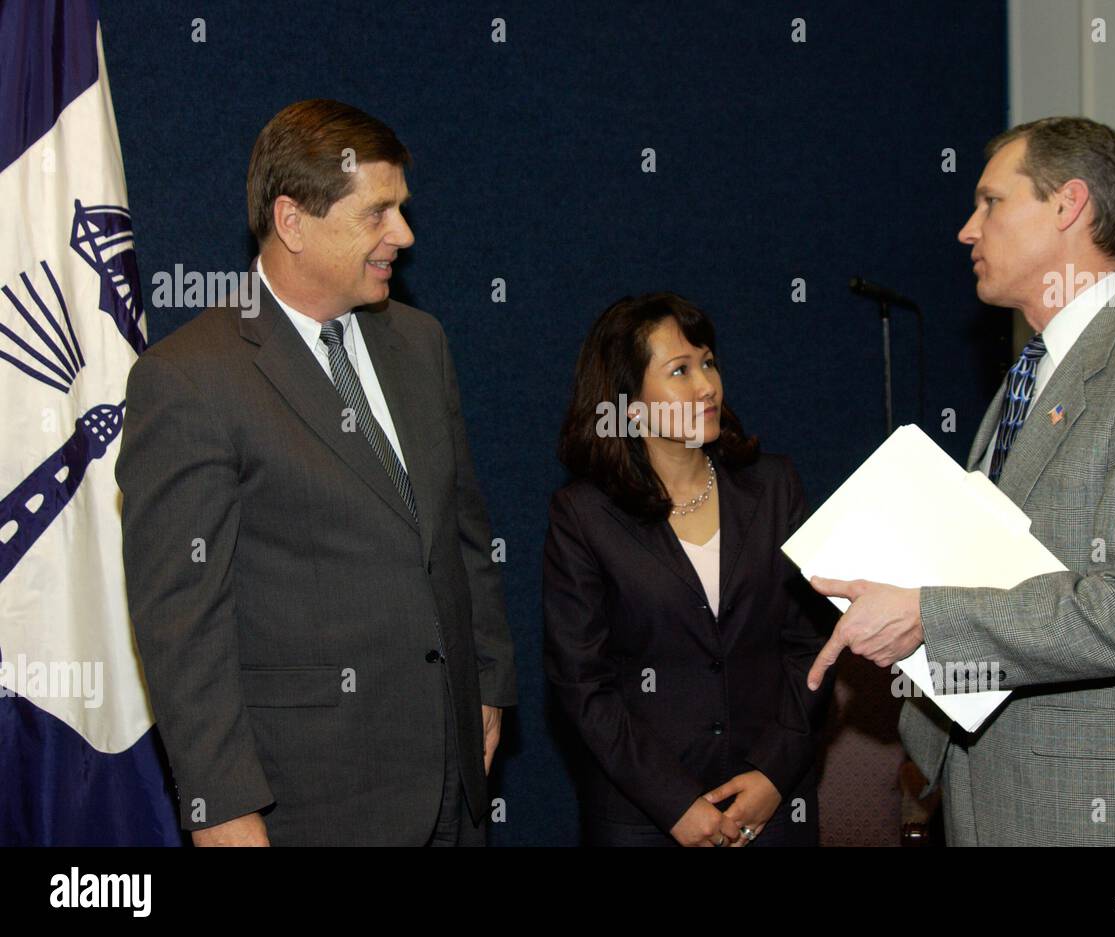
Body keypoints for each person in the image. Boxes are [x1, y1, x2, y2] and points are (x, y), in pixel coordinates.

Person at [806, 117, 1115, 846]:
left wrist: (928, 616)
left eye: (990, 203)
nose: (966, 230)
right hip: (992, 789)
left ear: (1067, 205)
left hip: (1109, 812)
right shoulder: (1033, 371)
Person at [117, 99, 515, 846]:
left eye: (402, 208)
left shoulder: (420, 341)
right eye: (378, 214)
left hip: (453, 783)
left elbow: (463, 533)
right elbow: (181, 625)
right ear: (293, 221)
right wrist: (222, 808)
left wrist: (487, 683)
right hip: (309, 804)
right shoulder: (189, 379)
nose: (405, 234)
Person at [543, 292, 835, 847]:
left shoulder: (775, 487)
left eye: (708, 363)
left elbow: (812, 647)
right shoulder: (583, 516)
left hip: (771, 807)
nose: (706, 386)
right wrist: (675, 804)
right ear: (628, 402)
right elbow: (583, 684)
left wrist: (774, 775)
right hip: (643, 818)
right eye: (680, 370)